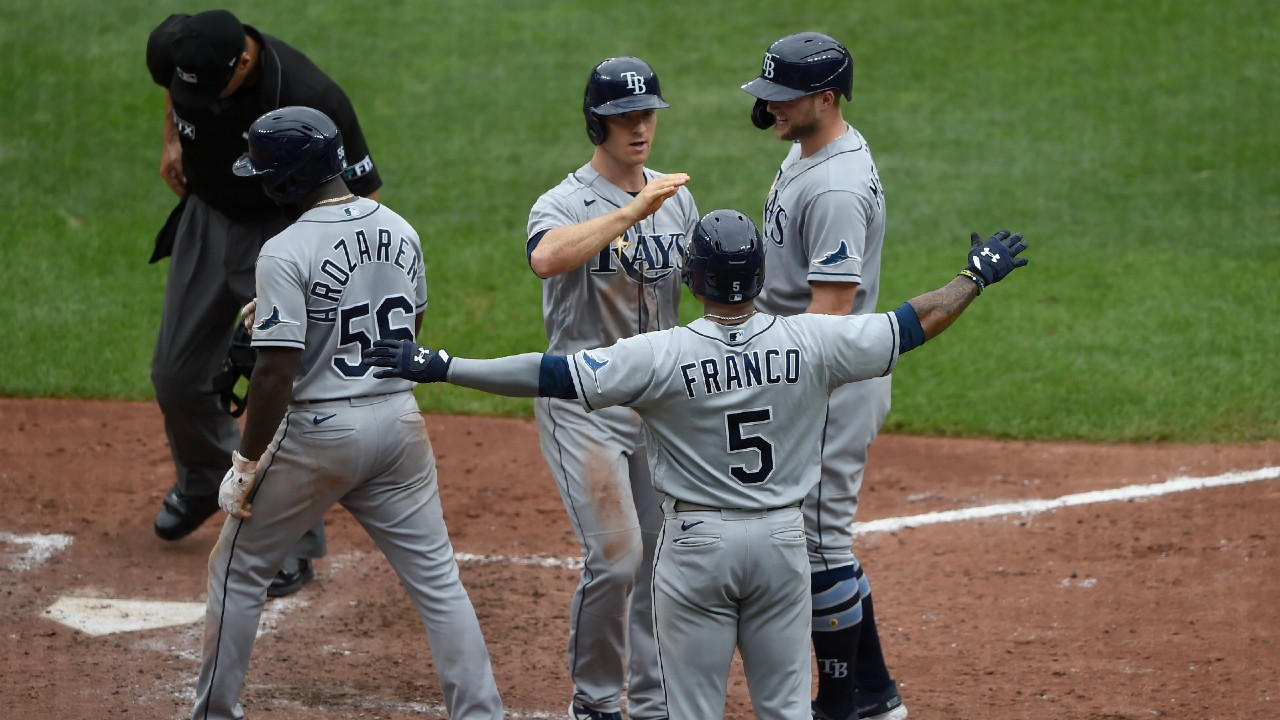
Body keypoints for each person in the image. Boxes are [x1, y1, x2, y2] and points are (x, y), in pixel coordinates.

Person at [362, 210, 1029, 719]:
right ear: (761, 276)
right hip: (780, 543)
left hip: (696, 550)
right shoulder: (815, 341)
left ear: (693, 278)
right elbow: (915, 324)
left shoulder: (659, 355)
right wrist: (976, 276)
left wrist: (443, 366)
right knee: (787, 710)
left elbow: (553, 375)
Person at [191, 105, 504, 720]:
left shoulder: (285, 251)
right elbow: (408, 333)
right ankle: (481, 714)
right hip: (399, 427)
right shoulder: (403, 227)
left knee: (238, 567)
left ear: (286, 178)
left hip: (320, 435)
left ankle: (212, 714)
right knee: (439, 584)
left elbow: (277, 373)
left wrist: (247, 461)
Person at [145, 9, 382, 596]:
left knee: (283, 388)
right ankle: (204, 481)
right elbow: (178, 96)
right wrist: (172, 140)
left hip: (283, 233)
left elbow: (362, 192)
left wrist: (324, 275)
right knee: (175, 375)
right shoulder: (187, 54)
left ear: (244, 62)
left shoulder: (307, 94)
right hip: (206, 219)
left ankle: (291, 542)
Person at [524, 55, 699, 720]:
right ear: (596, 122)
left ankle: (653, 703)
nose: (639, 127)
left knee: (665, 562)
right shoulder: (562, 203)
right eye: (625, 117)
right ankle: (596, 702)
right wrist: (633, 210)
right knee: (618, 558)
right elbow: (547, 257)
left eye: (647, 114)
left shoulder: (676, 196)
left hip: (657, 407)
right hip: (584, 404)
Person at [742, 31, 903, 720]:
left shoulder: (834, 185)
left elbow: (830, 312)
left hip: (828, 380)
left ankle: (846, 700)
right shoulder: (813, 151)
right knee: (818, 535)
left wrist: (770, 379)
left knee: (816, 539)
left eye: (784, 98)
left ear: (827, 98)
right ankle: (873, 694)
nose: (772, 107)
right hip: (819, 371)